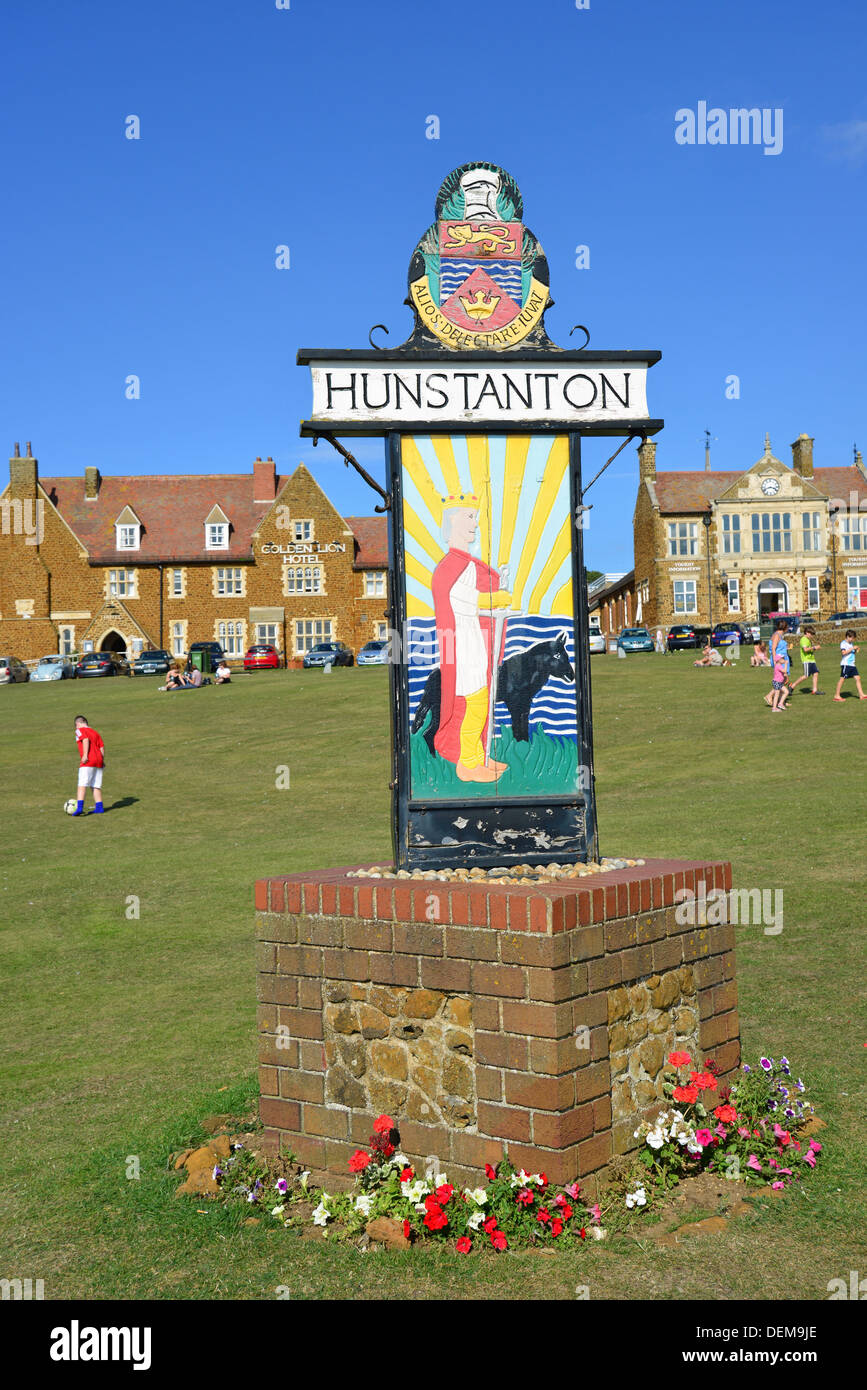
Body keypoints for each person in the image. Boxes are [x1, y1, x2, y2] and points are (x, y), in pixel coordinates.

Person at [430, 495, 511, 783]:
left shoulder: (464, 564)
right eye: (468, 517)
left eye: (475, 517)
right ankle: (467, 764)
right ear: (451, 521)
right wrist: (494, 598)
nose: (474, 524)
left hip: (472, 640)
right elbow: (461, 600)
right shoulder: (449, 566)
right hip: (460, 645)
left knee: (480, 702)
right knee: (474, 704)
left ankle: (478, 759)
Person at [72, 714, 105, 815]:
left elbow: (85, 739)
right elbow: (101, 747)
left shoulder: (79, 730)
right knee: (95, 785)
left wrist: (85, 755)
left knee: (82, 784)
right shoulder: (95, 732)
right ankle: (99, 807)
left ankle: (79, 808)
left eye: (75, 725)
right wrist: (102, 760)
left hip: (88, 761)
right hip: (98, 761)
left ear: (78, 723)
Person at [834, 630, 867, 702]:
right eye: (851, 638)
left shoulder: (851, 643)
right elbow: (844, 653)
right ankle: (837, 695)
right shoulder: (843, 643)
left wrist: (856, 650)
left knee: (858, 678)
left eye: (853, 638)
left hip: (852, 665)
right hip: (846, 665)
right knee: (842, 679)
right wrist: (852, 648)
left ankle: (861, 695)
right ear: (847, 636)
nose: (852, 639)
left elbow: (851, 654)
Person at [766, 619, 791, 711]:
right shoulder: (777, 635)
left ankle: (781, 701)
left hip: (783, 659)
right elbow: (773, 649)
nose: (788, 628)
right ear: (784, 627)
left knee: (783, 679)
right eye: (787, 626)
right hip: (779, 661)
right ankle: (770, 697)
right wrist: (776, 661)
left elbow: (779, 647)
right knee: (783, 679)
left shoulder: (780, 635)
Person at [790, 626, 823, 695]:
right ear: (807, 633)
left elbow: (809, 649)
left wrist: (814, 648)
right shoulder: (804, 639)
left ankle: (815, 690)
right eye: (811, 634)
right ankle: (792, 686)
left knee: (815, 673)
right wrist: (815, 647)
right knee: (806, 676)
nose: (812, 636)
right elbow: (805, 650)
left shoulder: (808, 640)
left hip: (811, 660)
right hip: (807, 660)